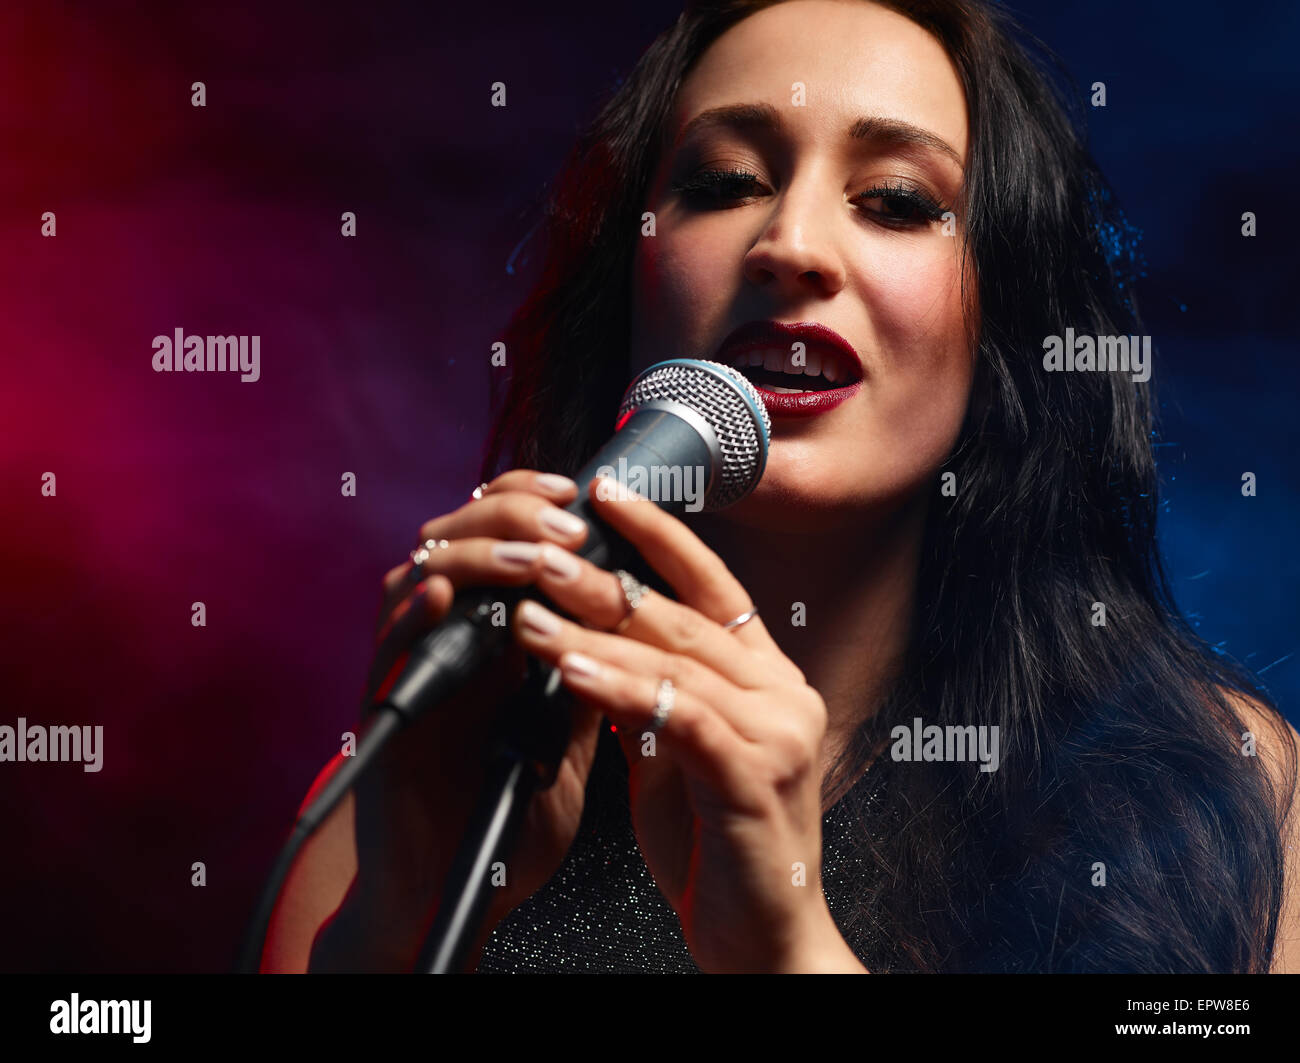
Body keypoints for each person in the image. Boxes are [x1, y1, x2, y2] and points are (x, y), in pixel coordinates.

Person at [261, 0, 1300, 973]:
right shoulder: (415, 780)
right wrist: (396, 924)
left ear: (1001, 325)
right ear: (629, 285)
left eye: (896, 201)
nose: (790, 245)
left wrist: (789, 947)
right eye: (721, 185)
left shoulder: (1227, 795)